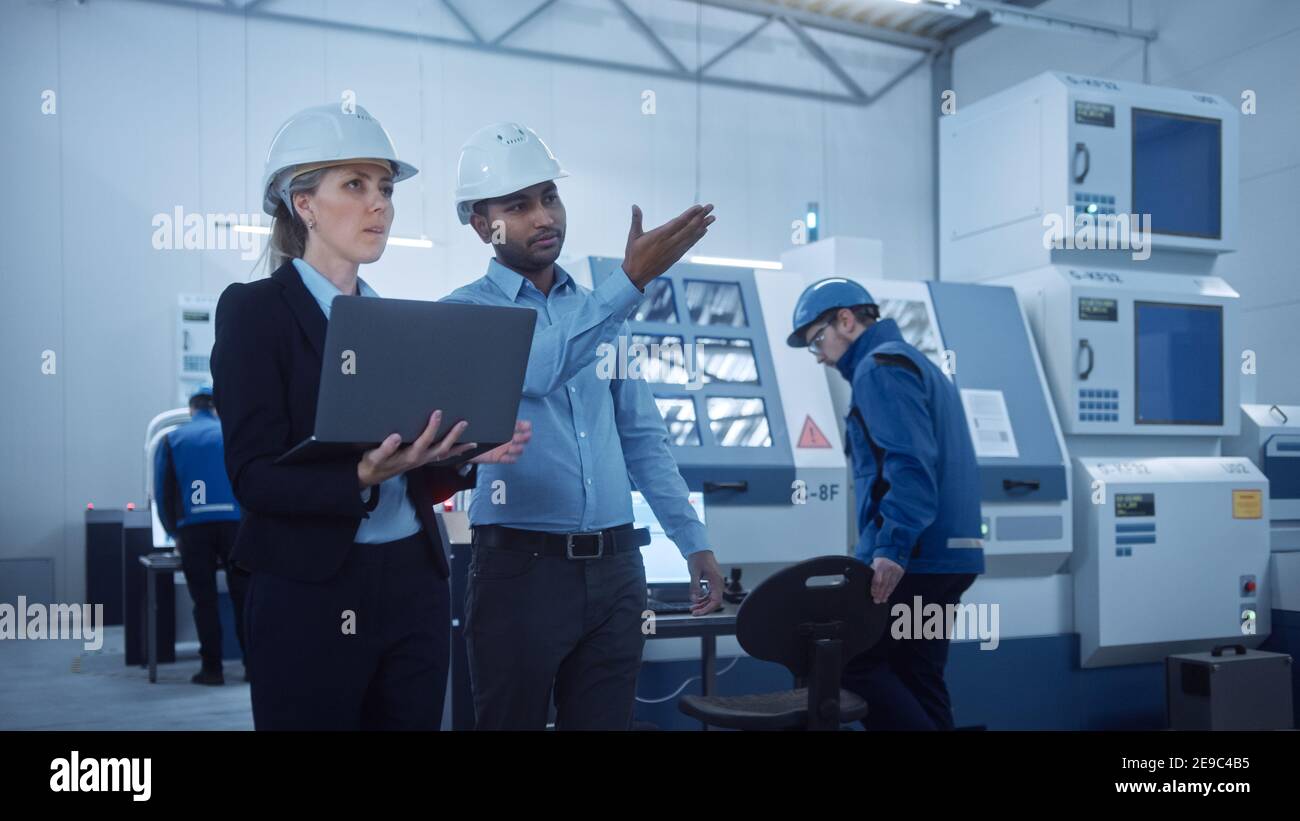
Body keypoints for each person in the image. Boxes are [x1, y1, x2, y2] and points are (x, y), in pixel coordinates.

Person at [210, 104, 530, 730]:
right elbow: (252, 478)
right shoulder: (256, 312)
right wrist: (358, 473)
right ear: (302, 203)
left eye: (384, 188)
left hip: (412, 581)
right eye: (355, 185)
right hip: (308, 590)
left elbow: (413, 475)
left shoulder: (399, 326)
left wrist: (460, 456)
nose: (379, 204)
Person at [443, 122, 722, 730]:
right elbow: (540, 369)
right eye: (518, 206)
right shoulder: (464, 314)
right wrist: (630, 283)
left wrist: (692, 539)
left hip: (617, 570)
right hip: (519, 571)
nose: (544, 217)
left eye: (550, 197)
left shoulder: (599, 311)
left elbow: (643, 439)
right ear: (480, 225)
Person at [787, 277, 984, 730]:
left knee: (854, 663)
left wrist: (891, 548)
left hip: (916, 557)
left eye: (818, 339)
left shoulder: (879, 369)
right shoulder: (915, 363)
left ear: (846, 320)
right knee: (919, 673)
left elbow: (910, 465)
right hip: (951, 557)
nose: (819, 355)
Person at [152, 385, 247, 685]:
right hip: (235, 526)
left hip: (194, 529)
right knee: (243, 597)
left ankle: (212, 669)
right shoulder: (232, 435)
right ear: (216, 408)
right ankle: (253, 668)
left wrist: (173, 532)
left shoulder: (171, 439)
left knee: (203, 601)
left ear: (192, 409)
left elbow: (163, 491)